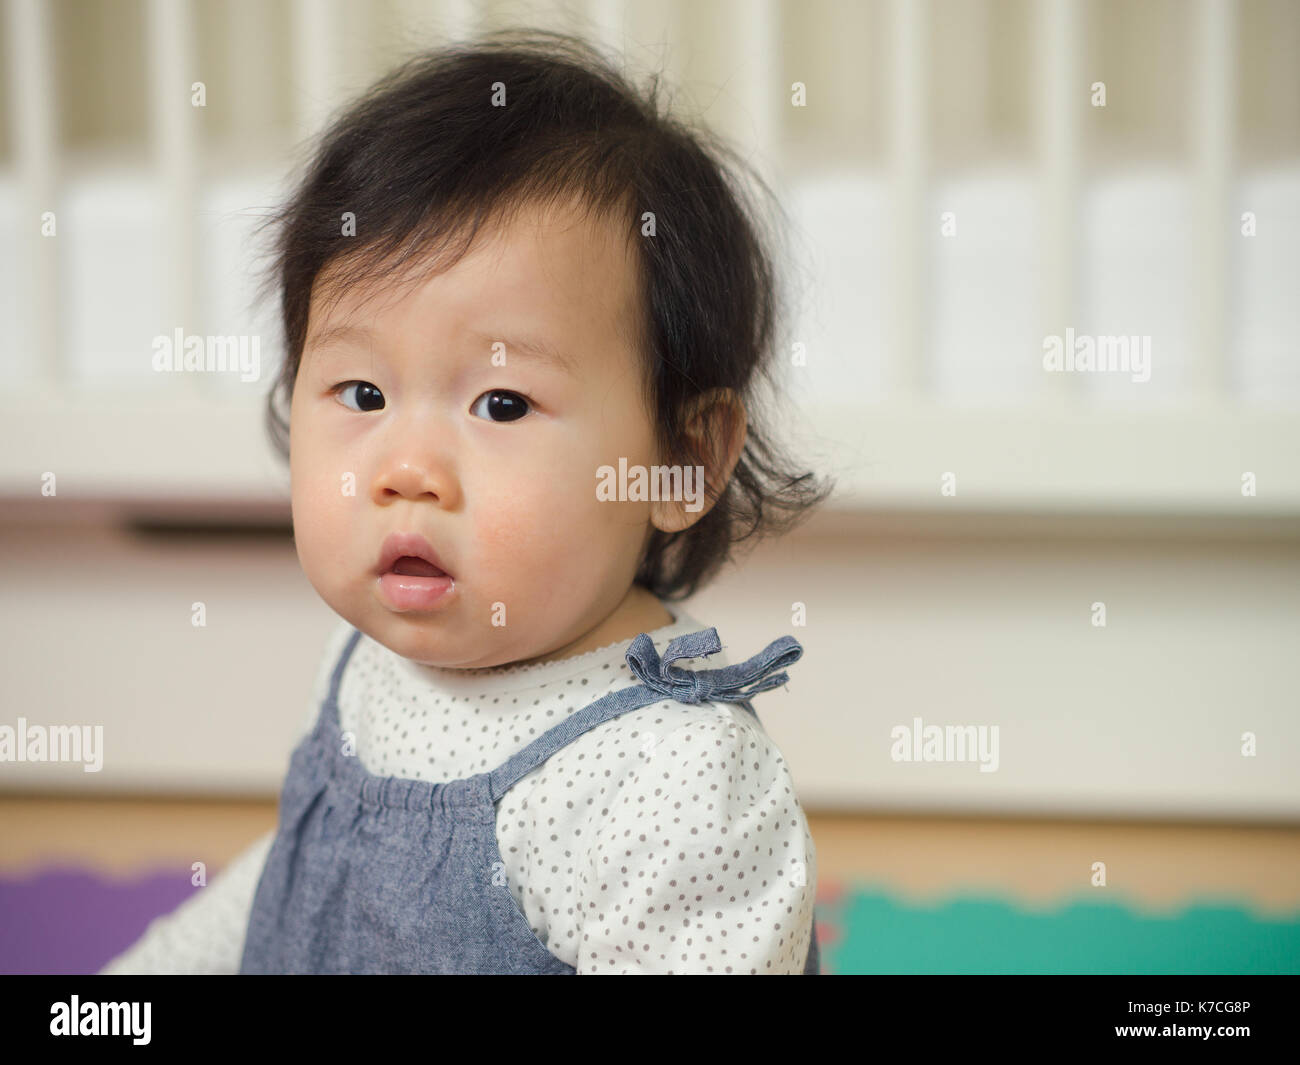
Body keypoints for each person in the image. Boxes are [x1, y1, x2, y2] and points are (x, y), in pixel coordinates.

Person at [100, 27, 833, 975]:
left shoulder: (674, 783)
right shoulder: (367, 660)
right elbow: (295, 881)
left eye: (501, 403)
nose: (408, 469)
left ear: (680, 460)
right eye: (362, 394)